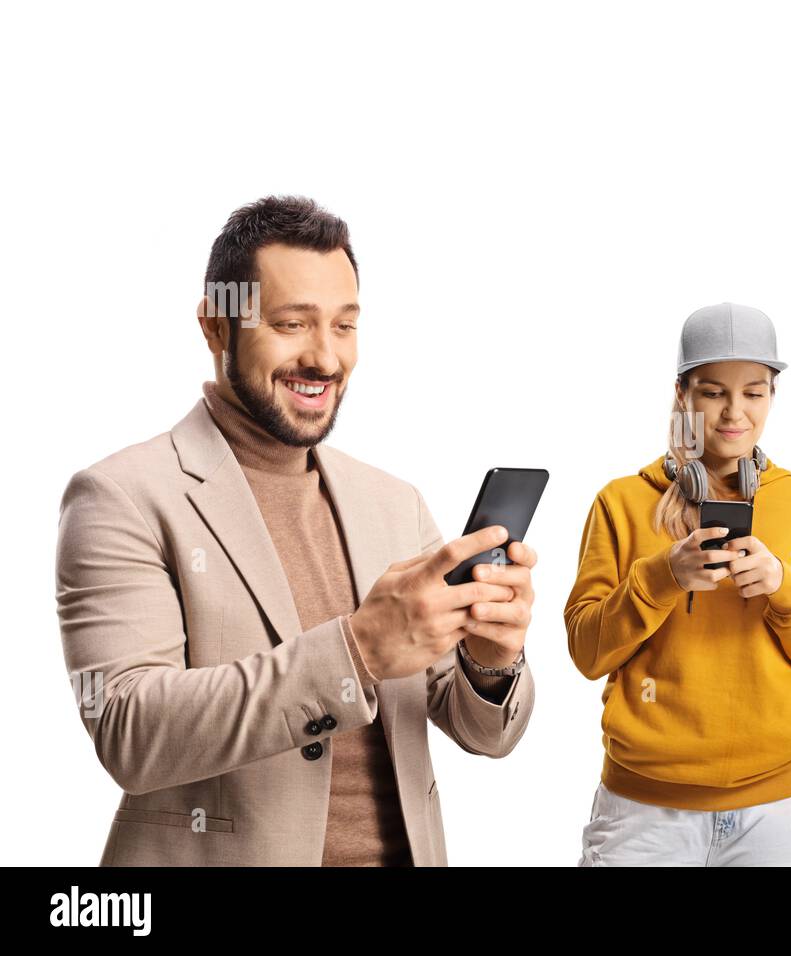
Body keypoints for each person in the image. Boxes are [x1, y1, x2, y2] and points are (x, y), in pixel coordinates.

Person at [56, 195, 536, 866]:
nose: (325, 358)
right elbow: (131, 732)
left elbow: (481, 732)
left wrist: (491, 659)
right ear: (216, 326)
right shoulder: (120, 496)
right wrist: (357, 649)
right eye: (292, 323)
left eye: (345, 326)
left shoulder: (393, 502)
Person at [565, 302, 791, 866]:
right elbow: (586, 651)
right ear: (682, 394)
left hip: (786, 812)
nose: (735, 412)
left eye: (754, 392)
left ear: (772, 397)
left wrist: (785, 588)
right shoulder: (621, 502)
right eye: (712, 391)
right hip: (644, 814)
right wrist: (661, 577)